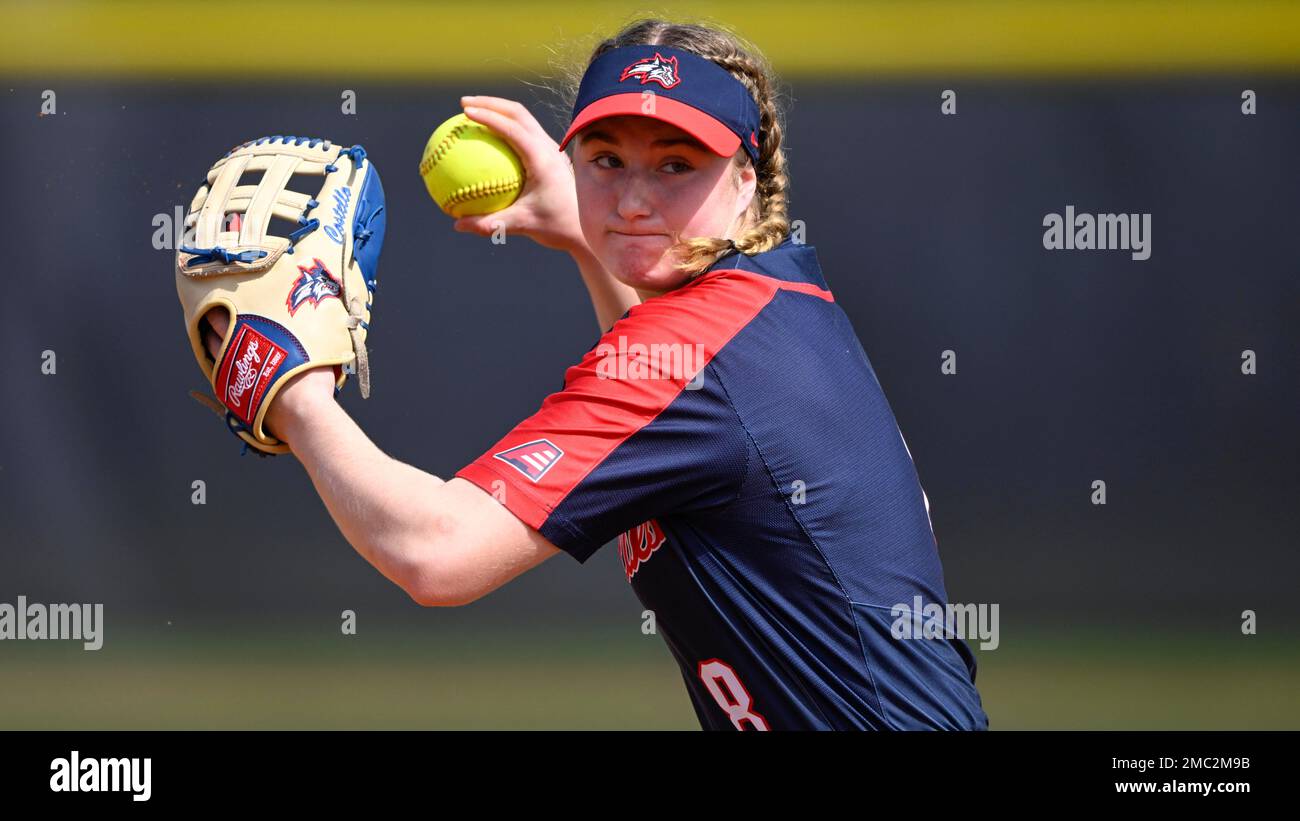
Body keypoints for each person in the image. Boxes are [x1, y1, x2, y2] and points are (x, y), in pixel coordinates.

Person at [201, 18, 988, 730]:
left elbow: (435, 553)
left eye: (677, 163)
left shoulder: (699, 354)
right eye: (605, 159)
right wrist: (585, 238)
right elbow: (676, 411)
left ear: (747, 179)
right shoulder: (778, 301)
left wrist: (293, 389)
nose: (634, 199)